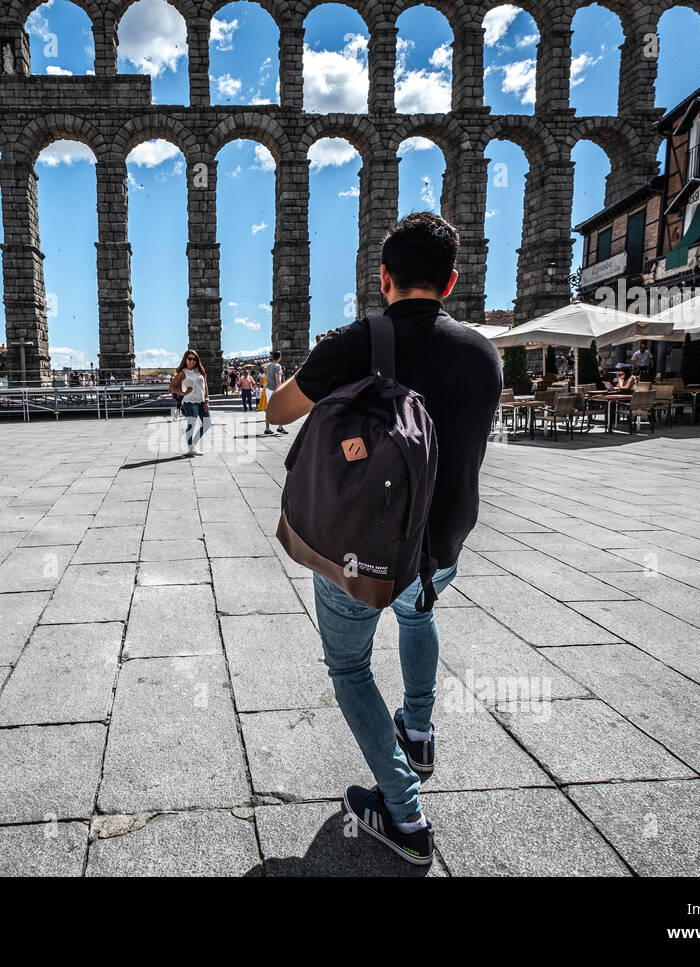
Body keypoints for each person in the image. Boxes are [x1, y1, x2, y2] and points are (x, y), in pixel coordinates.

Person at [264, 211, 502, 866]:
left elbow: (278, 409)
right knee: (417, 614)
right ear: (451, 281)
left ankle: (404, 816)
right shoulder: (485, 353)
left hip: (361, 550)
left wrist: (320, 367)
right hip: (440, 548)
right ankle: (418, 730)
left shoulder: (358, 340)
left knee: (349, 667)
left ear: (384, 277)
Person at [168, 349, 210, 456]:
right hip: (189, 402)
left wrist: (207, 400)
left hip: (201, 402)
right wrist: (183, 393)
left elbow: (205, 386)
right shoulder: (182, 373)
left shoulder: (200, 371)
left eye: (194, 359)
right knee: (191, 425)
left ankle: (192, 445)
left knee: (207, 424)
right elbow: (171, 387)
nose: (192, 361)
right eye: (190, 358)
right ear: (185, 359)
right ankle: (191, 447)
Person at [263, 351, 286, 435]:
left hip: (268, 389)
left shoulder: (268, 365)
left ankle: (267, 428)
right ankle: (280, 427)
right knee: (280, 408)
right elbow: (277, 380)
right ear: (279, 357)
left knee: (268, 409)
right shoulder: (278, 366)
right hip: (275, 389)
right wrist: (281, 389)